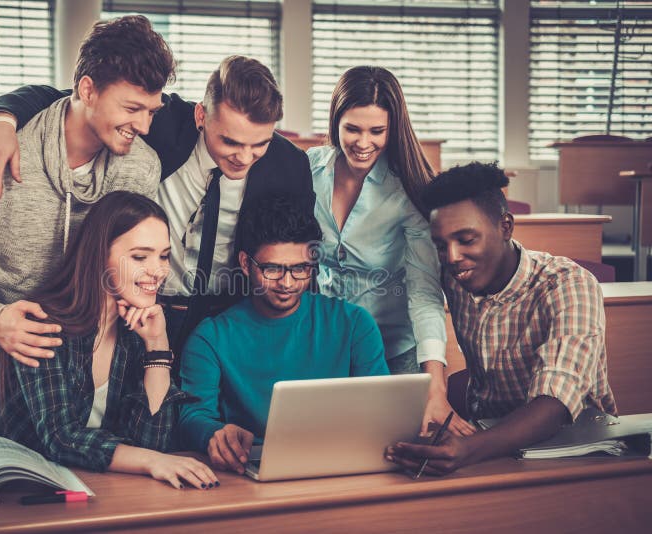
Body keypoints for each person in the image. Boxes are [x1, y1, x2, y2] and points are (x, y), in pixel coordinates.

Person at [0, 15, 175, 464]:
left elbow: (129, 255)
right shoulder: (1, 153)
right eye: (132, 109)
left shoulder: (140, 167)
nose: (145, 126)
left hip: (58, 367)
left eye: (152, 111)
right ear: (88, 90)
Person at [0, 55, 315, 355]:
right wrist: (1, 119)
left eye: (260, 144)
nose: (244, 157)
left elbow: (297, 249)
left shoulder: (289, 166)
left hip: (226, 317)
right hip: (143, 309)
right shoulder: (162, 120)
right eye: (230, 141)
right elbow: (65, 99)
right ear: (201, 116)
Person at [386, 162, 617, 476]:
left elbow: (554, 405)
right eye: (442, 246)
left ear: (506, 227)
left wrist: (469, 448)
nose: (452, 257)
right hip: (488, 440)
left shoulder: (569, 284)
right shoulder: (456, 275)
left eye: (467, 240)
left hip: (578, 450)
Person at [0, 191, 218, 490]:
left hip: (95, 491)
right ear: (99, 255)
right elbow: (61, 437)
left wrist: (158, 346)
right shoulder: (42, 324)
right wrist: (151, 461)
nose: (158, 271)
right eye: (140, 256)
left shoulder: (138, 331)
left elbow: (152, 441)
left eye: (164, 256)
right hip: (20, 494)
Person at [307, 66, 470, 435]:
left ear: (393, 130)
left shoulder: (408, 192)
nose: (363, 142)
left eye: (377, 131)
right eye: (352, 129)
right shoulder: (309, 170)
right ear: (336, 123)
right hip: (328, 347)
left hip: (394, 351)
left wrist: (435, 387)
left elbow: (425, 295)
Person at [178, 195, 390, 474]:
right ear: (245, 263)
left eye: (300, 269)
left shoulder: (354, 324)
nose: (287, 283)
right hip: (251, 469)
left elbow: (383, 411)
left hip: (345, 465)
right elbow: (193, 414)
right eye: (272, 268)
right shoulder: (210, 337)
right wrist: (214, 433)